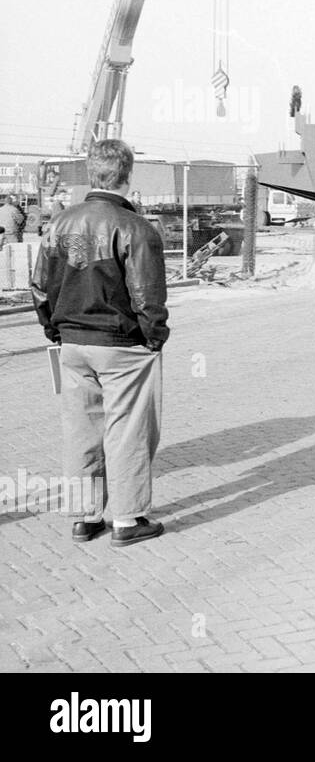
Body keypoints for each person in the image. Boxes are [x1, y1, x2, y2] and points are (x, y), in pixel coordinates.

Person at [30, 139, 169, 546]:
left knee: (81, 430)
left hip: (72, 343)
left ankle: (85, 518)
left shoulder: (59, 223)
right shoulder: (136, 227)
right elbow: (147, 296)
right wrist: (153, 338)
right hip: (121, 345)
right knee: (126, 430)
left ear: (92, 174)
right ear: (127, 176)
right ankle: (128, 521)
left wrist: (54, 330)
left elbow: (40, 287)